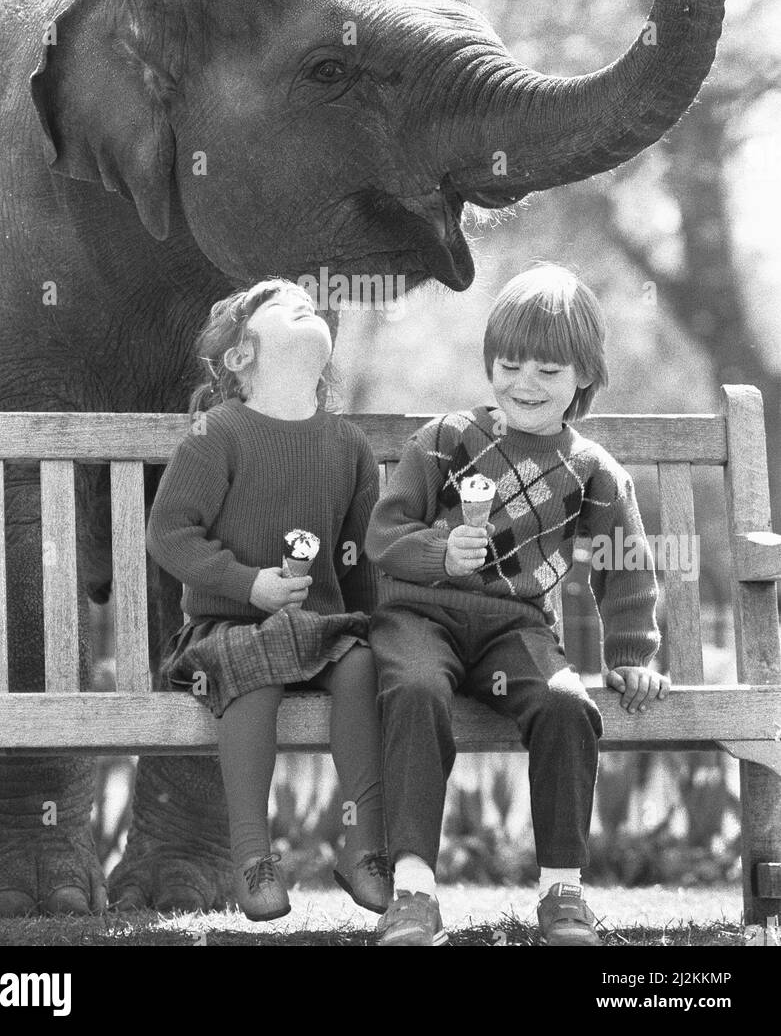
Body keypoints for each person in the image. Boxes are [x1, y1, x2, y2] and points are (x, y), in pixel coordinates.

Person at [366, 262, 669, 947]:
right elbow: (383, 536)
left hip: (516, 629)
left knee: (566, 703)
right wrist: (440, 551)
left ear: (583, 378)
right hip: (422, 618)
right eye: (509, 364)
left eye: (548, 371)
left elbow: (626, 570)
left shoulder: (592, 470)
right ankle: (412, 893)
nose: (524, 383)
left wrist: (631, 657)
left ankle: (561, 893)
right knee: (413, 689)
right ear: (489, 365)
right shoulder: (446, 440)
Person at [146, 278, 390, 921]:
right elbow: (168, 533)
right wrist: (248, 583)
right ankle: (253, 855)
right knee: (253, 672)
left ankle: (364, 844)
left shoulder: (346, 445)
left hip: (318, 633)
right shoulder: (217, 433)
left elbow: (361, 558)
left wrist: (380, 629)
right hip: (225, 631)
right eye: (283, 304)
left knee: (363, 663)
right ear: (240, 356)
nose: (305, 300)